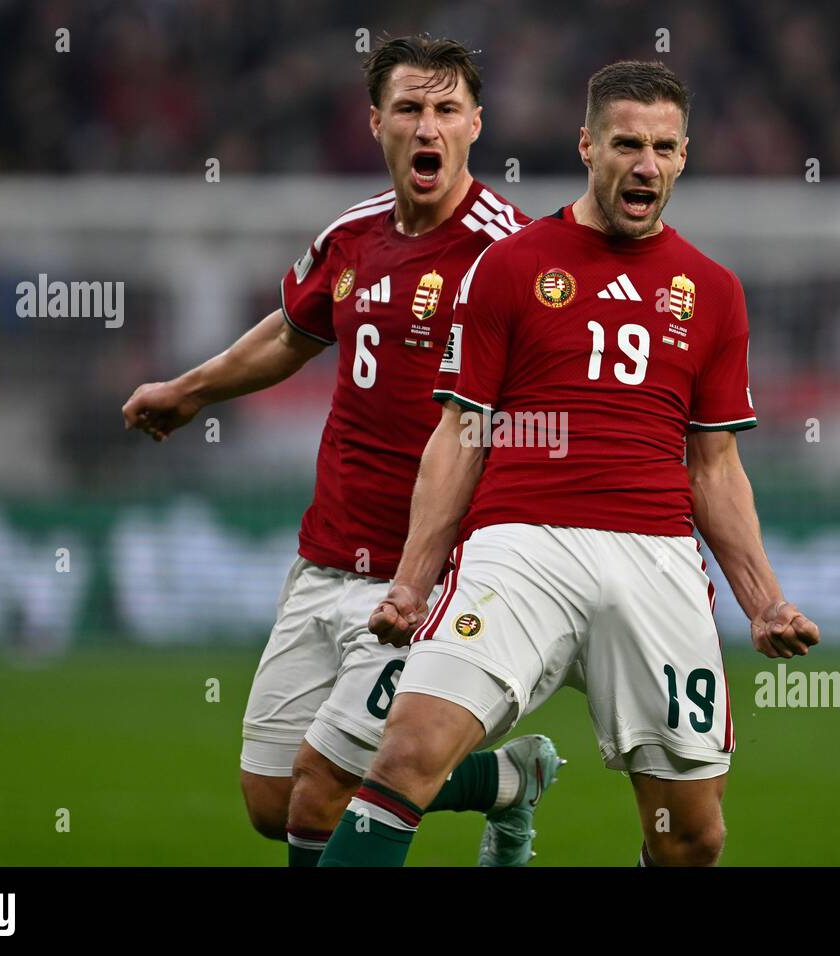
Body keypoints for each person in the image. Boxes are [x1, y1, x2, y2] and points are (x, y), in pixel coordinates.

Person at [319, 60, 819, 868]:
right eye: (627, 143)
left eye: (663, 147)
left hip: (655, 560)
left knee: (691, 837)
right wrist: (412, 581)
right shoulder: (510, 265)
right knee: (406, 757)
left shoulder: (714, 291)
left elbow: (715, 466)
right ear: (588, 147)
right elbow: (459, 435)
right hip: (519, 550)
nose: (646, 165)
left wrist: (763, 600)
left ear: (684, 156)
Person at [121, 35, 560, 867]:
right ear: (376, 123)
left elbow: (557, 401)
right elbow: (293, 334)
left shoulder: (512, 253)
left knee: (324, 788)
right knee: (272, 798)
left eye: (444, 109)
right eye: (408, 109)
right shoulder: (352, 236)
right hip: (325, 556)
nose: (426, 125)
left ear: (475, 124)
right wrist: (190, 391)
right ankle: (502, 783)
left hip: (425, 578)